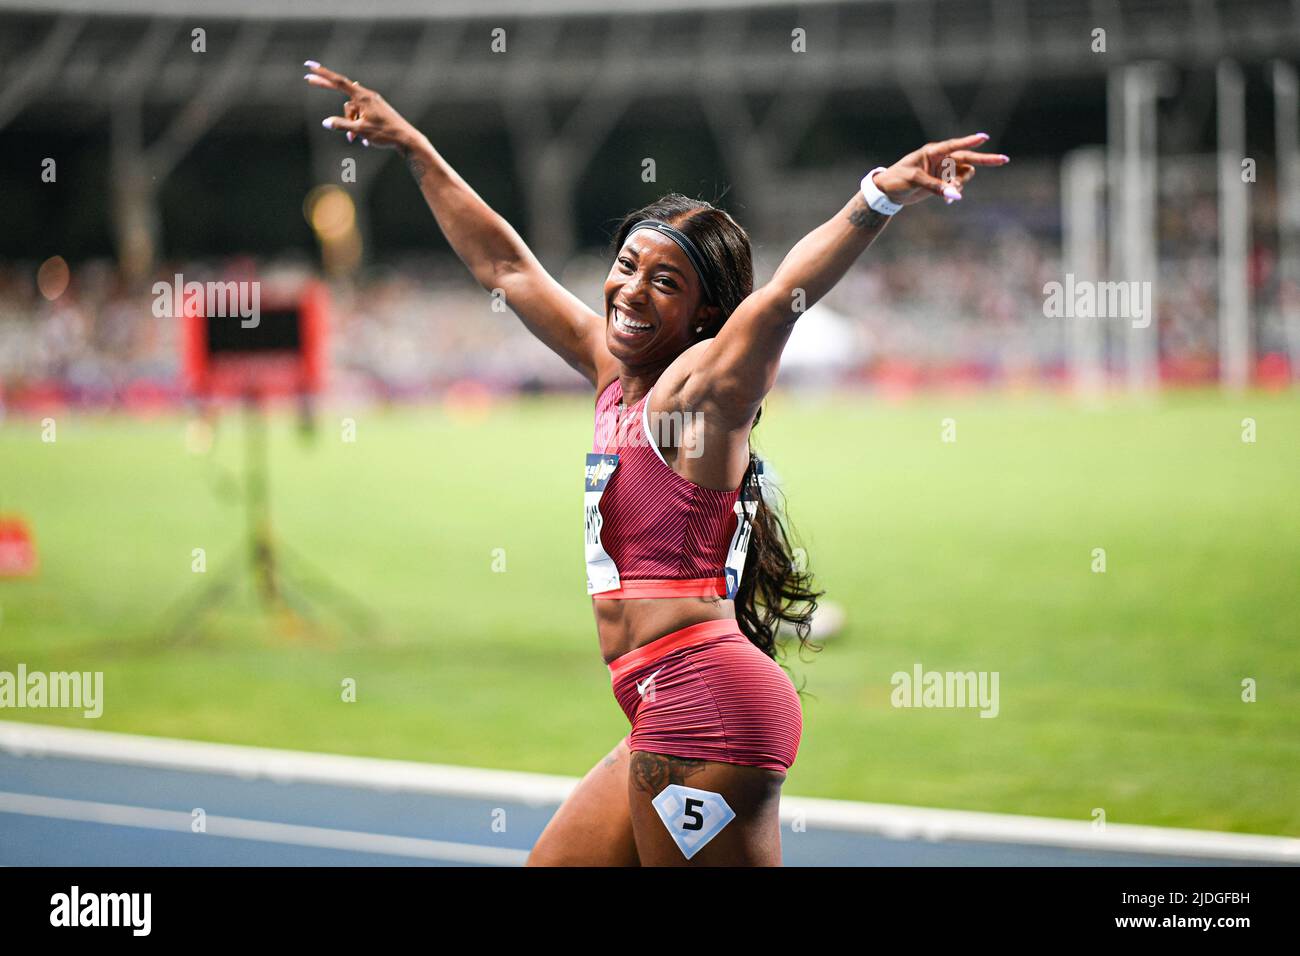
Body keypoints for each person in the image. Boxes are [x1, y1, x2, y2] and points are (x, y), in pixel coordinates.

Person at [305, 61, 1007, 866]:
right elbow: (504, 267)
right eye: (627, 265)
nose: (630, 290)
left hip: (703, 707)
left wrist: (876, 196)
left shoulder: (699, 393)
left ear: (705, 312)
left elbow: (779, 301)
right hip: (662, 702)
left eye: (663, 281)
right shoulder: (612, 377)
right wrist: (414, 147)